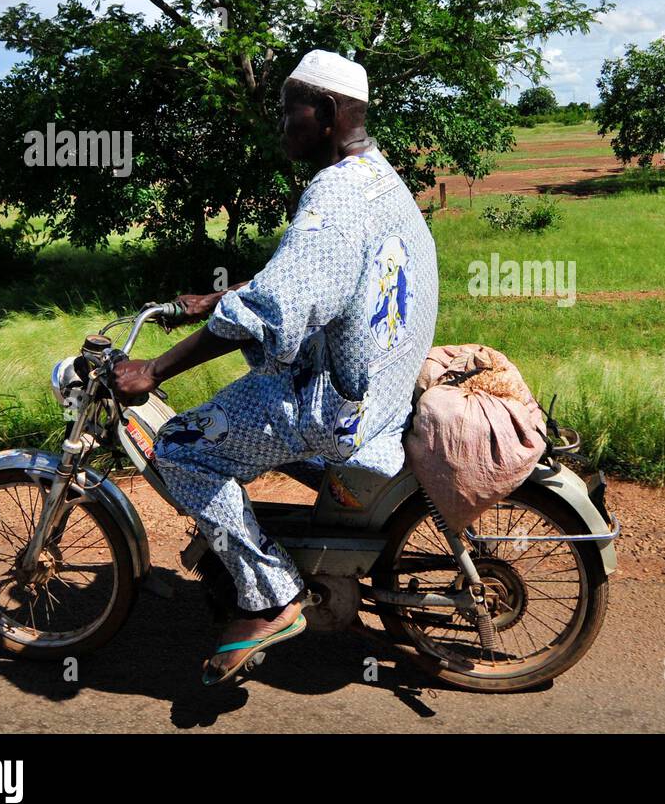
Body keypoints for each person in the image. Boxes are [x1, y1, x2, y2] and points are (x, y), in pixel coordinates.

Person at [111, 50, 438, 684]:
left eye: (291, 113)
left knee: (179, 446)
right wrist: (218, 298)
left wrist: (155, 367)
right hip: (383, 387)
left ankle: (268, 597)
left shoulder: (335, 195)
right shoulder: (380, 179)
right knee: (232, 421)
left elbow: (272, 311)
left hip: (334, 403)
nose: (283, 127)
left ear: (328, 113)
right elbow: (314, 278)